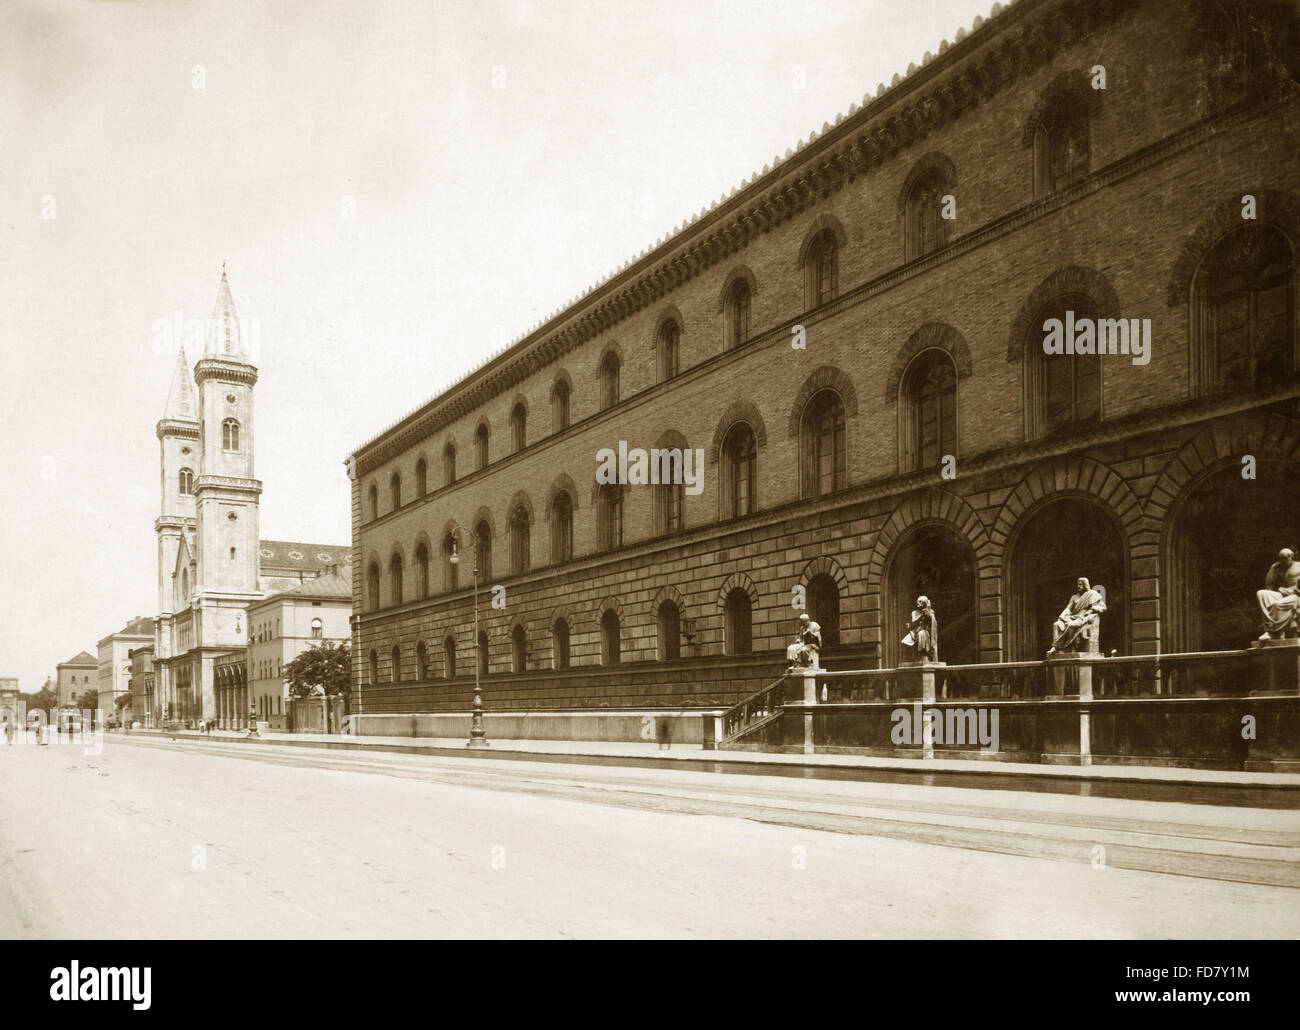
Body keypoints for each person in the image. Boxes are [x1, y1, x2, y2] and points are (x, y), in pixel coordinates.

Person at [1047, 577, 1107, 655]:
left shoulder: (1092, 594)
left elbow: (1103, 607)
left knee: (1070, 625)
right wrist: (1062, 615)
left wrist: (1092, 609)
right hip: (1073, 617)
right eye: (1078, 584)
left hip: (1083, 618)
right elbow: (1068, 608)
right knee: (1056, 624)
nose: (1078, 586)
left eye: (1081, 584)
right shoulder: (1074, 597)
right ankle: (1060, 650)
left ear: (1085, 585)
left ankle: (1055, 647)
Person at [1257, 548, 1300, 639]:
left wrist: (1290, 590)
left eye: (1285, 558)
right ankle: (1268, 628)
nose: (1283, 561)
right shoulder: (1277, 567)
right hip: (1283, 593)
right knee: (1261, 594)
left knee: (1277, 604)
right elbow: (1269, 584)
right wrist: (1273, 570)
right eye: (1281, 558)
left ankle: (1272, 632)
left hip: (1296, 595)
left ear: (1291, 557)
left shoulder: (1299, 566)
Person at [902, 596, 938, 662]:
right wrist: (921, 616)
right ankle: (911, 659)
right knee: (904, 642)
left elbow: (933, 623)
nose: (918, 603)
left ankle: (924, 656)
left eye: (920, 601)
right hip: (915, 632)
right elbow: (914, 622)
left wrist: (929, 615)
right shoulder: (914, 612)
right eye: (917, 601)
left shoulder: (930, 611)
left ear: (925, 603)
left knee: (922, 634)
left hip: (925, 632)